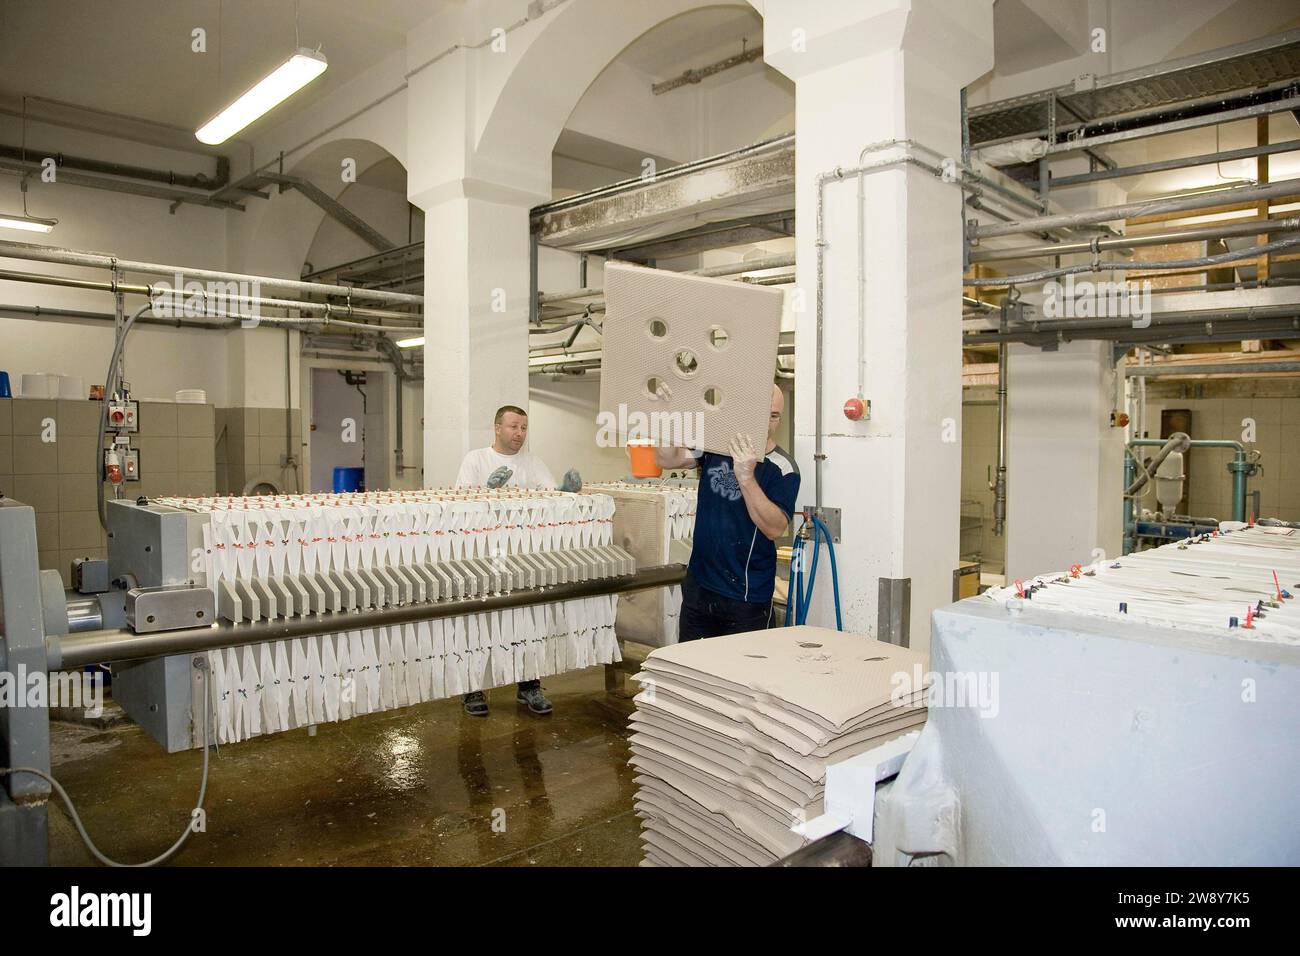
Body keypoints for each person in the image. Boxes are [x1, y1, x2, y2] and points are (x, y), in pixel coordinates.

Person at [454, 404, 580, 717]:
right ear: (497, 428)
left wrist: (566, 492)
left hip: (523, 555)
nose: (519, 434)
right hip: (484, 555)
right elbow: (458, 504)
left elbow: (551, 496)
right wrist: (484, 492)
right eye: (513, 427)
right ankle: (473, 689)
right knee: (481, 620)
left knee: (526, 619)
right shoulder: (476, 459)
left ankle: (529, 686)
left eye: (523, 428)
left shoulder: (531, 462)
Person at [656, 385, 799, 641]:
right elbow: (667, 459)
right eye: (762, 413)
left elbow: (775, 527)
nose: (767, 423)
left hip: (746, 598)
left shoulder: (783, 468)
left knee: (740, 677)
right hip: (700, 586)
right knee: (692, 671)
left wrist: (746, 477)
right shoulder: (717, 446)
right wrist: (669, 415)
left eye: (775, 416)